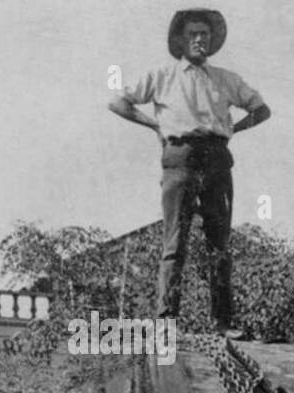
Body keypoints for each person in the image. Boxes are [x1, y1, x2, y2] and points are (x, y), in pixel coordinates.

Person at [109, 9, 270, 336]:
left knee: (219, 241)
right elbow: (119, 102)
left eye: (205, 35)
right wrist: (154, 123)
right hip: (180, 157)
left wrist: (232, 130)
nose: (200, 40)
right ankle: (166, 320)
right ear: (180, 40)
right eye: (193, 34)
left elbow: (261, 109)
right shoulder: (162, 75)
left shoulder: (226, 79)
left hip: (217, 158)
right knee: (175, 242)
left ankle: (223, 322)